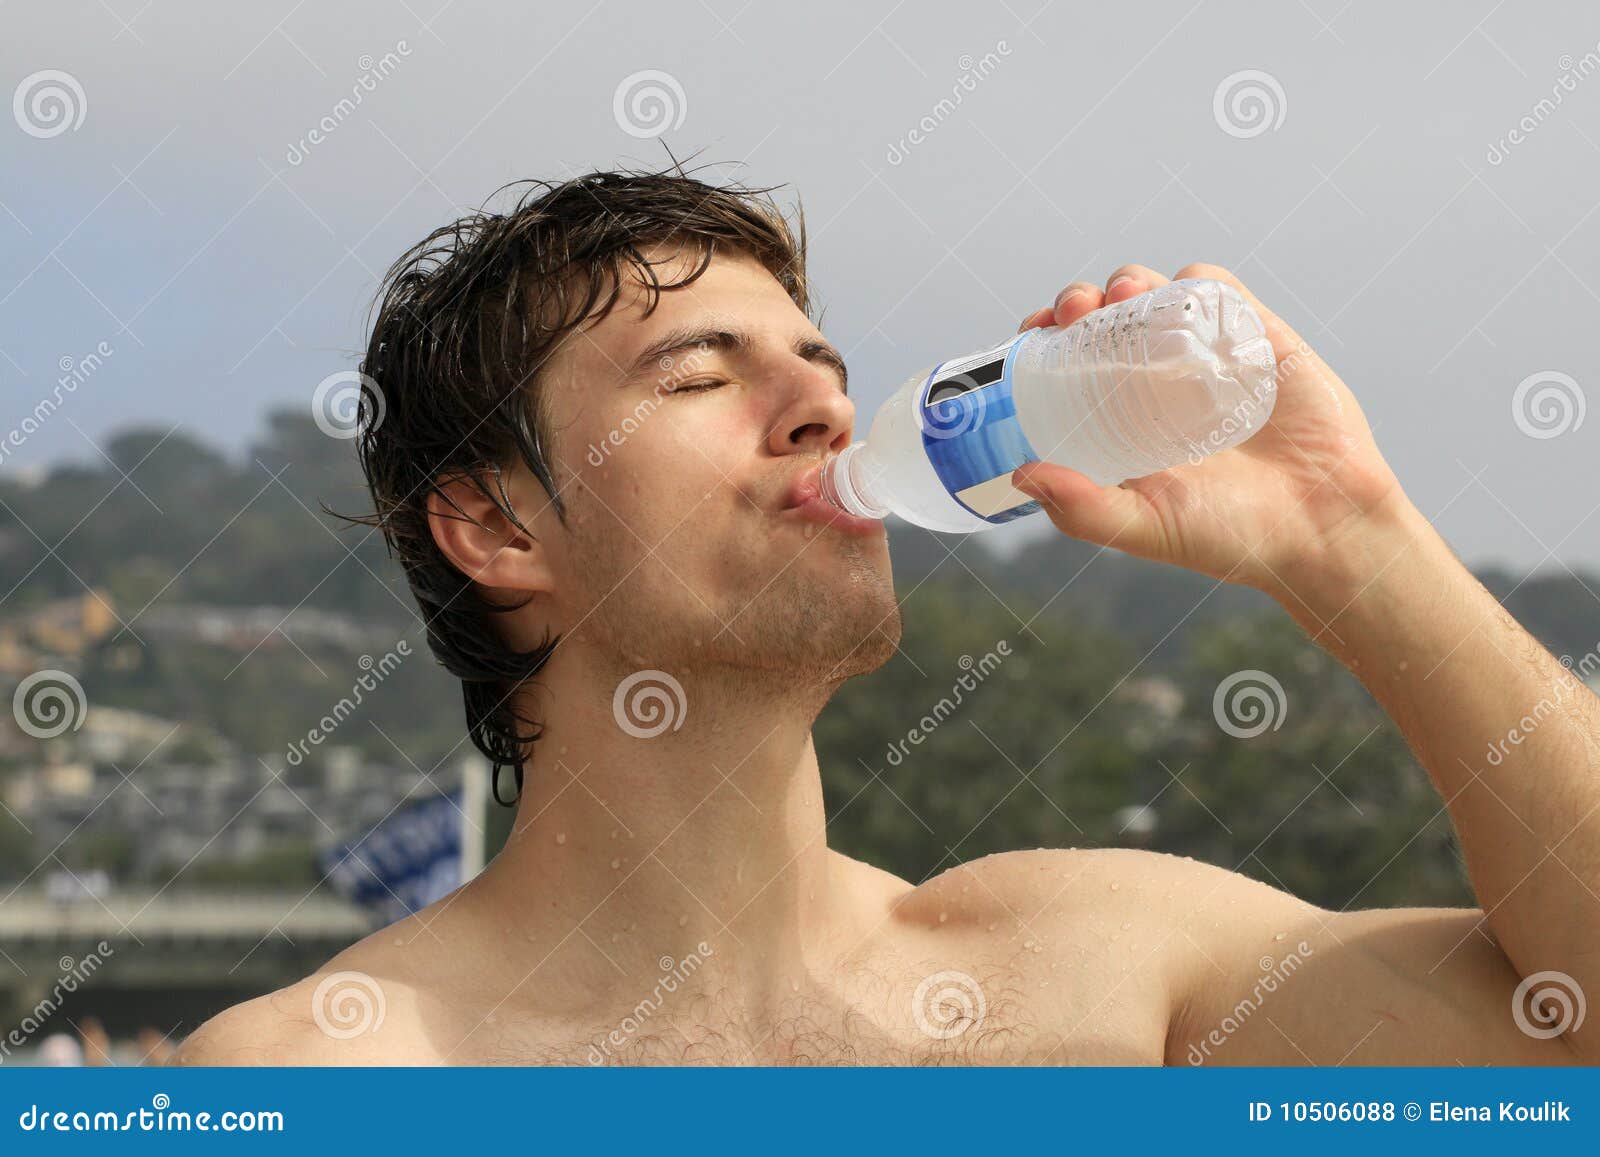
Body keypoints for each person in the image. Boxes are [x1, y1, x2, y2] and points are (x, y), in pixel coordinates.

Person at [177, 169, 1596, 1066]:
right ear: (497, 524)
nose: (824, 407)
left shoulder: (1106, 972)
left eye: (820, 360)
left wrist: (1351, 539)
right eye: (695, 375)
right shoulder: (330, 1078)